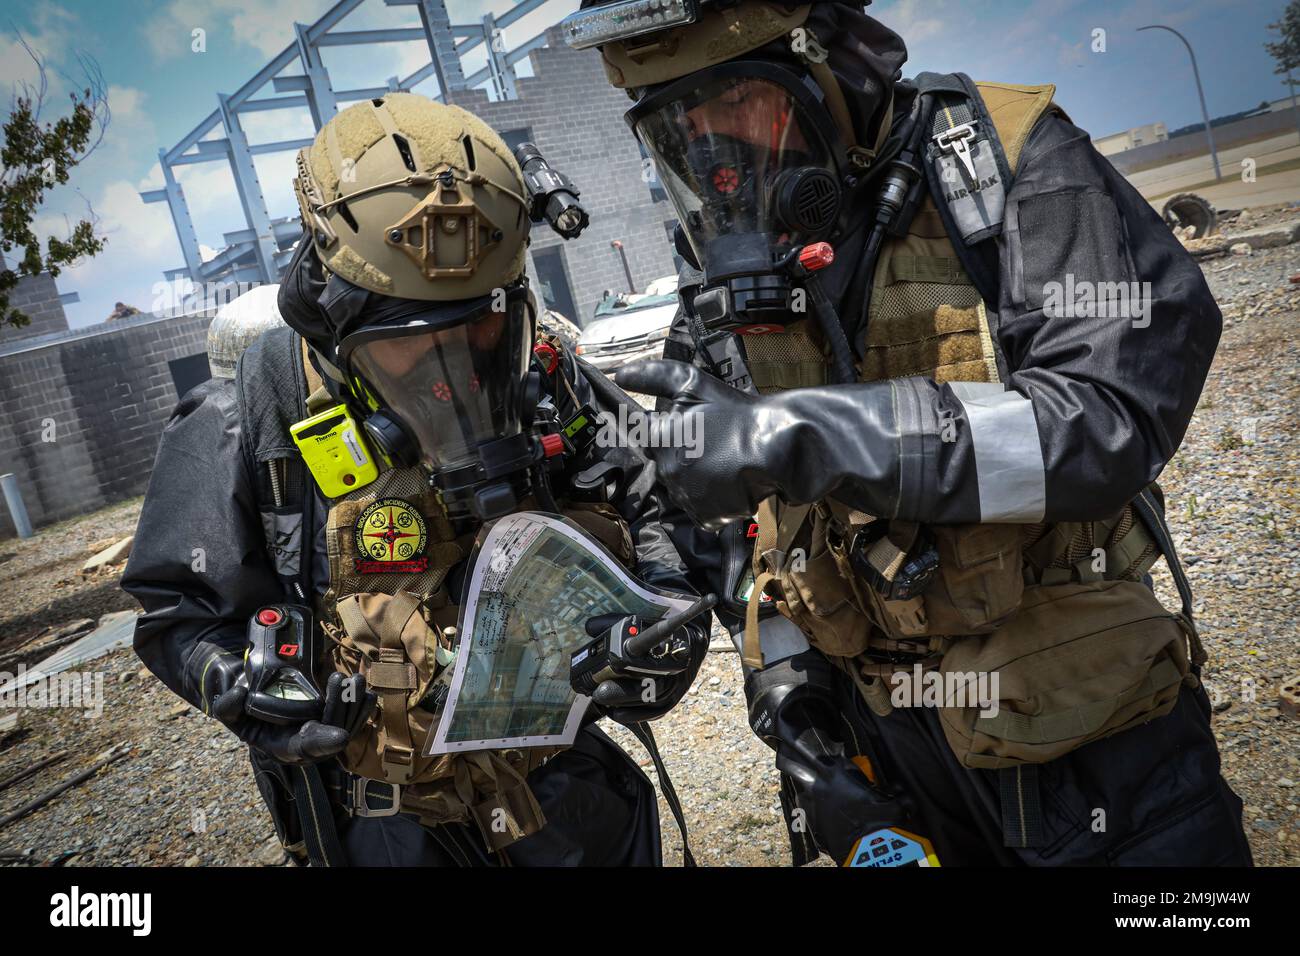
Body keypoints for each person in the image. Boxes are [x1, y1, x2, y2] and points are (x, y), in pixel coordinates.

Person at [564, 0, 1253, 865]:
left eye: (735, 101)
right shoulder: (731, 256)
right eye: (677, 129)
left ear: (823, 66)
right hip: (886, 742)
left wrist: (807, 434)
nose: (716, 152)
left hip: (1085, 722)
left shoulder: (1007, 157)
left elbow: (1107, 418)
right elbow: (756, 535)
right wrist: (791, 693)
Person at [122, 92, 708, 867]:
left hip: (565, 796)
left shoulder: (547, 371)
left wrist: (665, 621)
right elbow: (176, 614)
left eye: (482, 329)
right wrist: (248, 691)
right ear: (333, 319)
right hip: (388, 827)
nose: (453, 373)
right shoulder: (249, 414)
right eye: (412, 345)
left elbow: (655, 504)